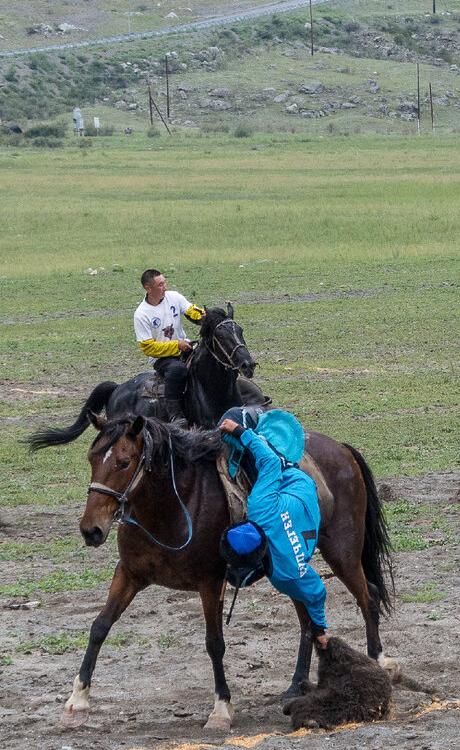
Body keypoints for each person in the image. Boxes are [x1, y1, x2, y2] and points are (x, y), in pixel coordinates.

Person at [218, 408, 329, 650]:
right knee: (231, 417)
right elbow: (269, 461)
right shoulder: (260, 508)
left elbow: (317, 591)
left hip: (305, 512)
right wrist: (238, 431)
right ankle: (253, 416)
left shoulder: (284, 576)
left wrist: (321, 629)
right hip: (295, 481)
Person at [134, 269, 205, 424]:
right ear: (148, 288)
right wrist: (176, 346)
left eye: (164, 282)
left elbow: (192, 311)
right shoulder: (141, 314)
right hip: (162, 359)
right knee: (177, 370)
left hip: (185, 348)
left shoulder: (174, 297)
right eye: (160, 285)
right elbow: (148, 348)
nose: (165, 287)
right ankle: (175, 415)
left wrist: (207, 317)